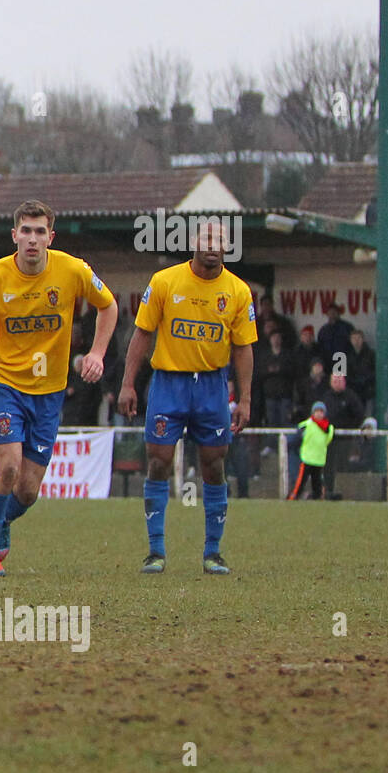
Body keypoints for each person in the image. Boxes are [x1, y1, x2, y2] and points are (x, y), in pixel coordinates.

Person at [0, 199, 117, 576]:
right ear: (14, 235)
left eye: (39, 231)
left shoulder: (73, 270)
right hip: (2, 381)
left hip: (49, 390)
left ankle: (4, 521)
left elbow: (108, 307)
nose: (32, 239)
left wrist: (97, 353)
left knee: (28, 490)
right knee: (9, 468)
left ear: (51, 236)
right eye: (25, 231)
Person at [117, 220, 256, 575]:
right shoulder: (165, 282)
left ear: (227, 246)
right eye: (206, 238)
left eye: (219, 240)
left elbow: (243, 348)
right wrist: (128, 384)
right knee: (159, 461)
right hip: (168, 384)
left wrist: (245, 399)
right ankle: (156, 551)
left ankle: (213, 552)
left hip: (212, 387)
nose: (212, 245)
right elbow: (142, 333)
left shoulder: (238, 292)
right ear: (193, 242)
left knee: (213, 464)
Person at [319, 372, 365, 498]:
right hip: (329, 440)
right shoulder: (326, 397)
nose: (336, 383)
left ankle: (345, 492)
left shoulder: (350, 397)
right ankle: (328, 492)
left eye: (339, 380)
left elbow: (359, 415)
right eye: (334, 380)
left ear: (344, 382)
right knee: (328, 466)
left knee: (343, 467)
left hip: (345, 440)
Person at [288, 401, 334, 500]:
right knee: (300, 482)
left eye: (321, 411)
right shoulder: (306, 425)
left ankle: (317, 498)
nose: (319, 414)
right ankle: (293, 497)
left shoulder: (328, 428)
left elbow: (327, 440)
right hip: (307, 459)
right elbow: (295, 439)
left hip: (319, 460)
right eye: (316, 411)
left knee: (317, 483)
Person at [258, 330, 297, 427]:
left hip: (285, 395)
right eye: (274, 338)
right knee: (272, 423)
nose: (276, 340)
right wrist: (269, 371)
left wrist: (280, 369)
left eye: (278, 338)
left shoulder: (287, 355)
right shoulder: (265, 356)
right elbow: (260, 373)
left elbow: (293, 371)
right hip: (270, 395)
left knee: (285, 422)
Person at [316, 303, 354, 374]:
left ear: (339, 313)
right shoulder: (323, 330)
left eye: (334, 312)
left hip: (343, 363)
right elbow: (320, 348)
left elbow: (352, 347)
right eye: (330, 312)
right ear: (327, 314)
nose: (332, 314)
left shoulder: (347, 327)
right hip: (327, 364)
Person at [346, 329, 375, 410]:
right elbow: (346, 374)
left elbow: (375, 372)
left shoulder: (371, 354)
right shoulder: (348, 356)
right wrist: (354, 381)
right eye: (354, 338)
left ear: (363, 339)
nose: (356, 341)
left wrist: (365, 379)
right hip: (354, 391)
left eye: (358, 338)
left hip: (368, 390)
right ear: (350, 340)